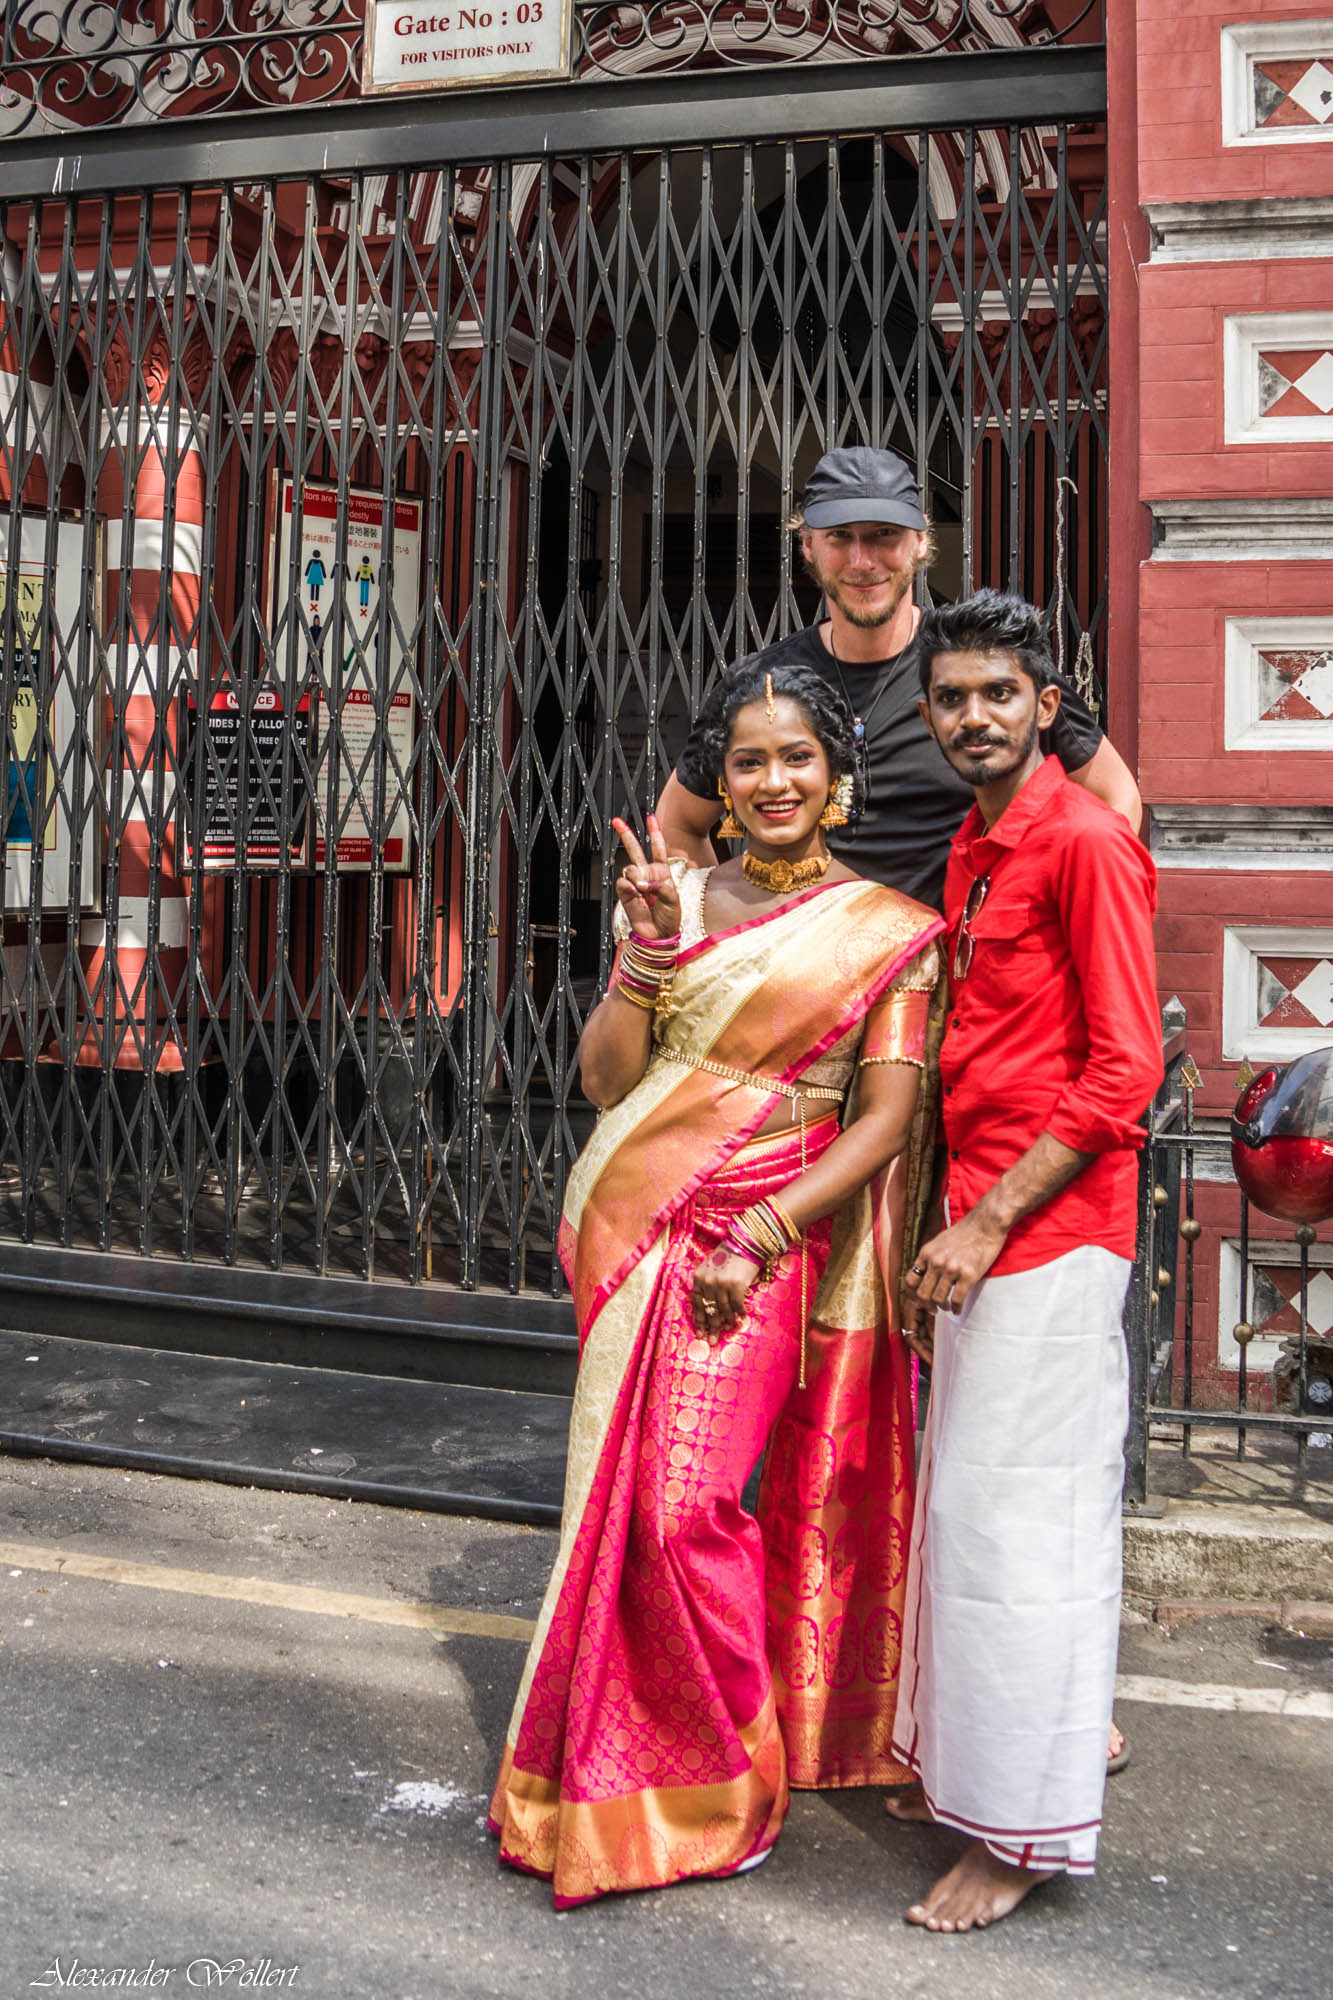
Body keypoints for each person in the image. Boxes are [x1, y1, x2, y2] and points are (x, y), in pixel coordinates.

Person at [489, 662, 945, 1906]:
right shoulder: (675, 895)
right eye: (747, 760)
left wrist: (761, 1232)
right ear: (721, 783)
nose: (773, 779)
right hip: (631, 1216)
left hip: (756, 1245)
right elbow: (604, 1078)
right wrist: (642, 954)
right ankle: (606, 1775)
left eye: (796, 757)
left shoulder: (891, 931)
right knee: (620, 1511)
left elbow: (886, 1120)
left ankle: (715, 1779)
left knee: (689, 1510)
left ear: (837, 776)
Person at [884, 589, 1164, 1932]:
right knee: (969, 1517)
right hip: (983, 1232)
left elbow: (1126, 1072)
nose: (974, 716)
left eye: (999, 693)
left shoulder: (1084, 842)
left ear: (1046, 706)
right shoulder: (974, 844)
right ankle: (966, 1770)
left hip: (1047, 1240)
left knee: (1026, 1535)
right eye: (951, 698)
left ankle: (1019, 1836)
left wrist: (990, 1221)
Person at [656, 444, 1141, 913]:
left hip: (948, 977)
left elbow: (1113, 796)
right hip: (808, 986)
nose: (862, 561)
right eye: (839, 536)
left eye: (884, 534)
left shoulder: (980, 667)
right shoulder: (762, 681)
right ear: (807, 545)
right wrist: (731, 931)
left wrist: (1029, 921)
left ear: (922, 541)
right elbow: (677, 824)